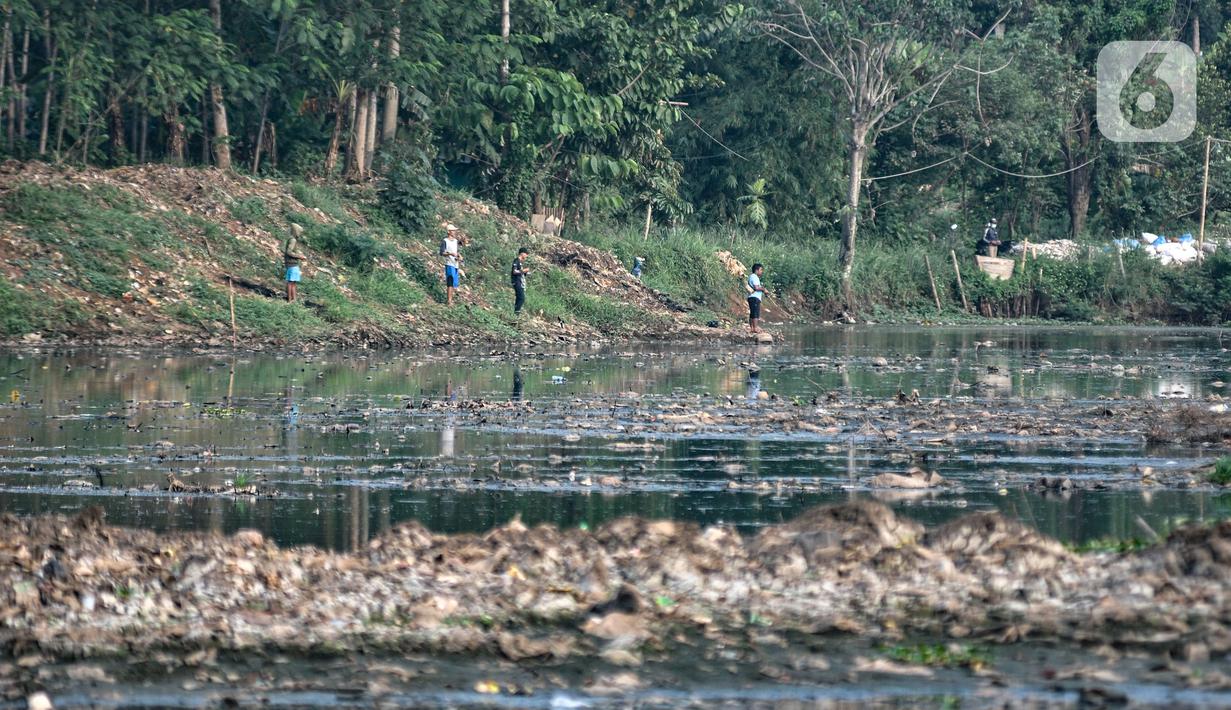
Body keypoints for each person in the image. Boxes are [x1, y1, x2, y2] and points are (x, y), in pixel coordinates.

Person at [440, 223, 463, 306]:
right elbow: (442, 252)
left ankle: (451, 299)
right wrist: (450, 254)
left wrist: (459, 256)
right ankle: (449, 301)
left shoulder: (456, 241)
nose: (454, 232)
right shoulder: (445, 241)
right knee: (450, 280)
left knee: (454, 283)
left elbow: (458, 252)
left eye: (454, 230)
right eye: (453, 230)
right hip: (449, 263)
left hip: (456, 264)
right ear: (449, 232)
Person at [282, 226, 305, 302]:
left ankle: (293, 300)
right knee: (291, 283)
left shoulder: (291, 239)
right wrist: (299, 256)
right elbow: (289, 252)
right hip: (292, 264)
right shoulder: (293, 240)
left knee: (293, 283)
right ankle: (290, 300)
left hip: (292, 264)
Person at [746, 263, 766, 333]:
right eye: (761, 270)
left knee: (752, 313)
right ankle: (755, 328)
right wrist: (763, 289)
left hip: (752, 297)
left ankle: (752, 328)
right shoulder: (754, 276)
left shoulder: (752, 276)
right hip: (754, 297)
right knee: (755, 313)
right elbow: (756, 287)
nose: (761, 271)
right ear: (756, 270)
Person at [511, 247, 530, 314]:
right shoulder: (516, 261)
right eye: (526, 254)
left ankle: (515, 314)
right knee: (521, 298)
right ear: (522, 253)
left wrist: (525, 273)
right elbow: (514, 271)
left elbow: (520, 273)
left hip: (520, 282)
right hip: (516, 282)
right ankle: (516, 313)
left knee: (519, 298)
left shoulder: (520, 263)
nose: (526, 255)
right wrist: (523, 270)